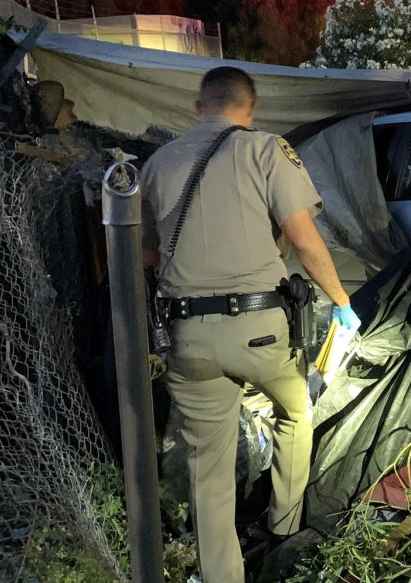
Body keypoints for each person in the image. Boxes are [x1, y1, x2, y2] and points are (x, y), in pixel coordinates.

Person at [141, 67, 359, 583]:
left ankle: (223, 575)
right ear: (250, 107)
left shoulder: (157, 163)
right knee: (295, 409)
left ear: (200, 104)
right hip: (259, 332)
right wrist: (342, 302)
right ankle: (283, 530)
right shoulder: (266, 150)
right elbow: (303, 240)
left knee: (208, 472)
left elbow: (146, 256)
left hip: (186, 338)